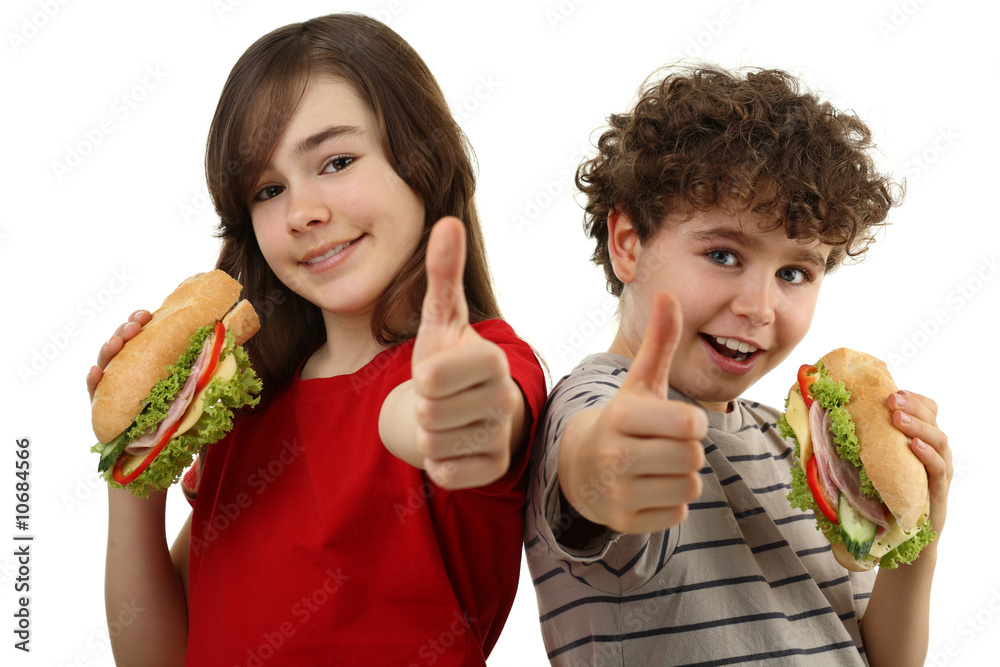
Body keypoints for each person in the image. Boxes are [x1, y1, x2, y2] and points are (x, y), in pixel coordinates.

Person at [86, 14, 546, 666]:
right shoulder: (247, 413)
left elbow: (463, 421)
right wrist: (135, 465)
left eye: (335, 161)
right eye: (268, 189)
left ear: (424, 160)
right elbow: (156, 658)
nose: (303, 212)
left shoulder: (481, 364)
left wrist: (451, 410)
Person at [524, 66, 952, 666]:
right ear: (627, 242)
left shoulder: (794, 443)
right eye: (723, 255)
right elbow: (596, 475)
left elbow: (881, 658)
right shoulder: (600, 403)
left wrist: (915, 537)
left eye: (794, 273)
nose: (758, 307)